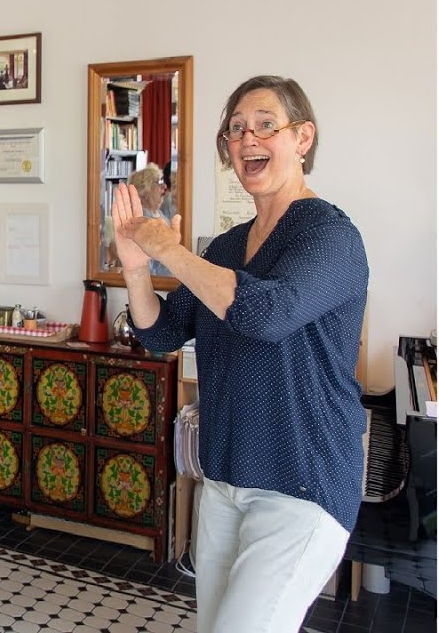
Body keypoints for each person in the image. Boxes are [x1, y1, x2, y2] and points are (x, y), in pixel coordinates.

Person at [113, 76, 368, 633]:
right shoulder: (228, 247)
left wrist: (172, 253)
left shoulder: (330, 236)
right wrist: (138, 268)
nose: (247, 138)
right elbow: (160, 333)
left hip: (301, 485)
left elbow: (268, 315)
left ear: (303, 138)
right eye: (235, 128)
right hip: (226, 480)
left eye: (264, 125)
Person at [126, 165, 171, 276]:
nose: (164, 186)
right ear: (144, 190)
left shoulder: (161, 214)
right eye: (158, 183)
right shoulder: (141, 219)